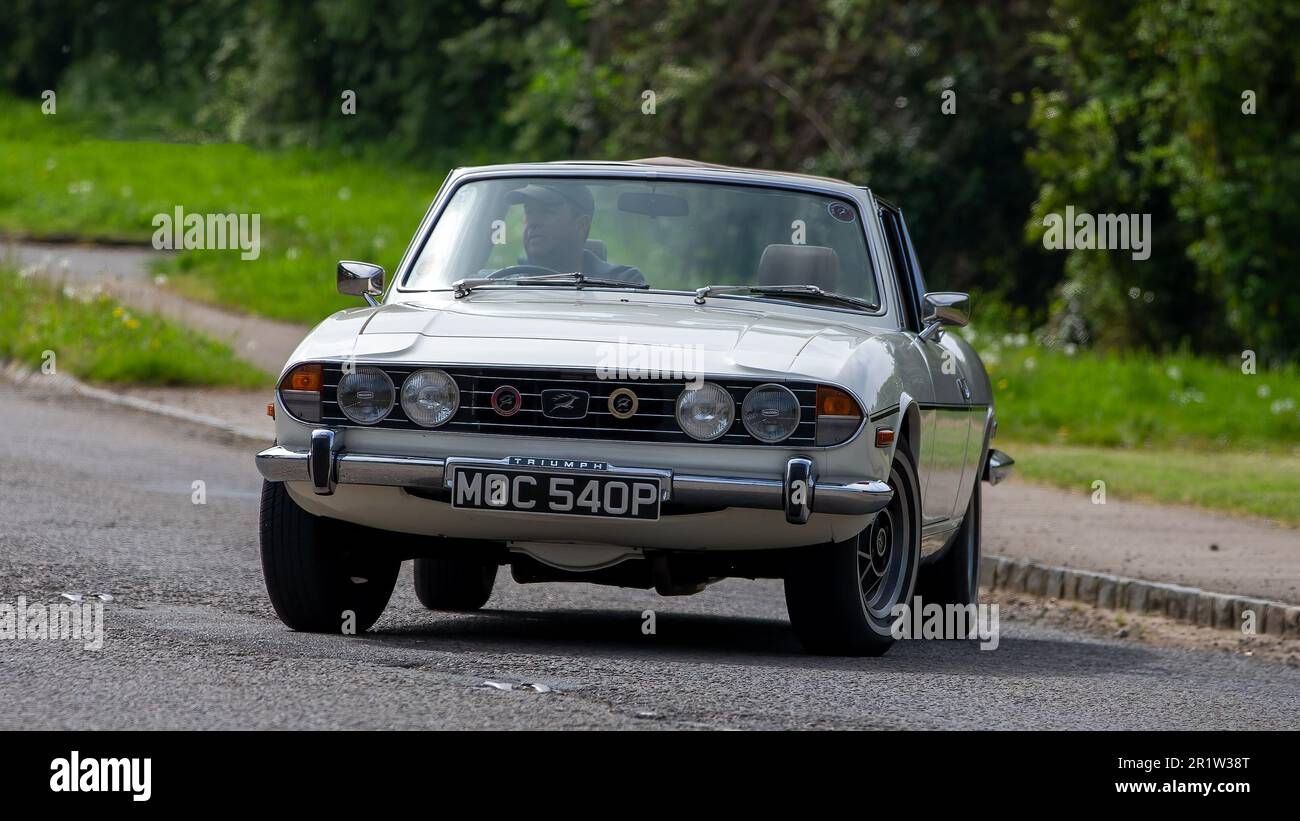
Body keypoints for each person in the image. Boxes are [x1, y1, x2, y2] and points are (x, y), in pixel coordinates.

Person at [504, 183, 645, 285]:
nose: (533, 222)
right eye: (529, 212)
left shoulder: (622, 283)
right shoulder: (501, 283)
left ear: (581, 224)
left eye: (547, 211)